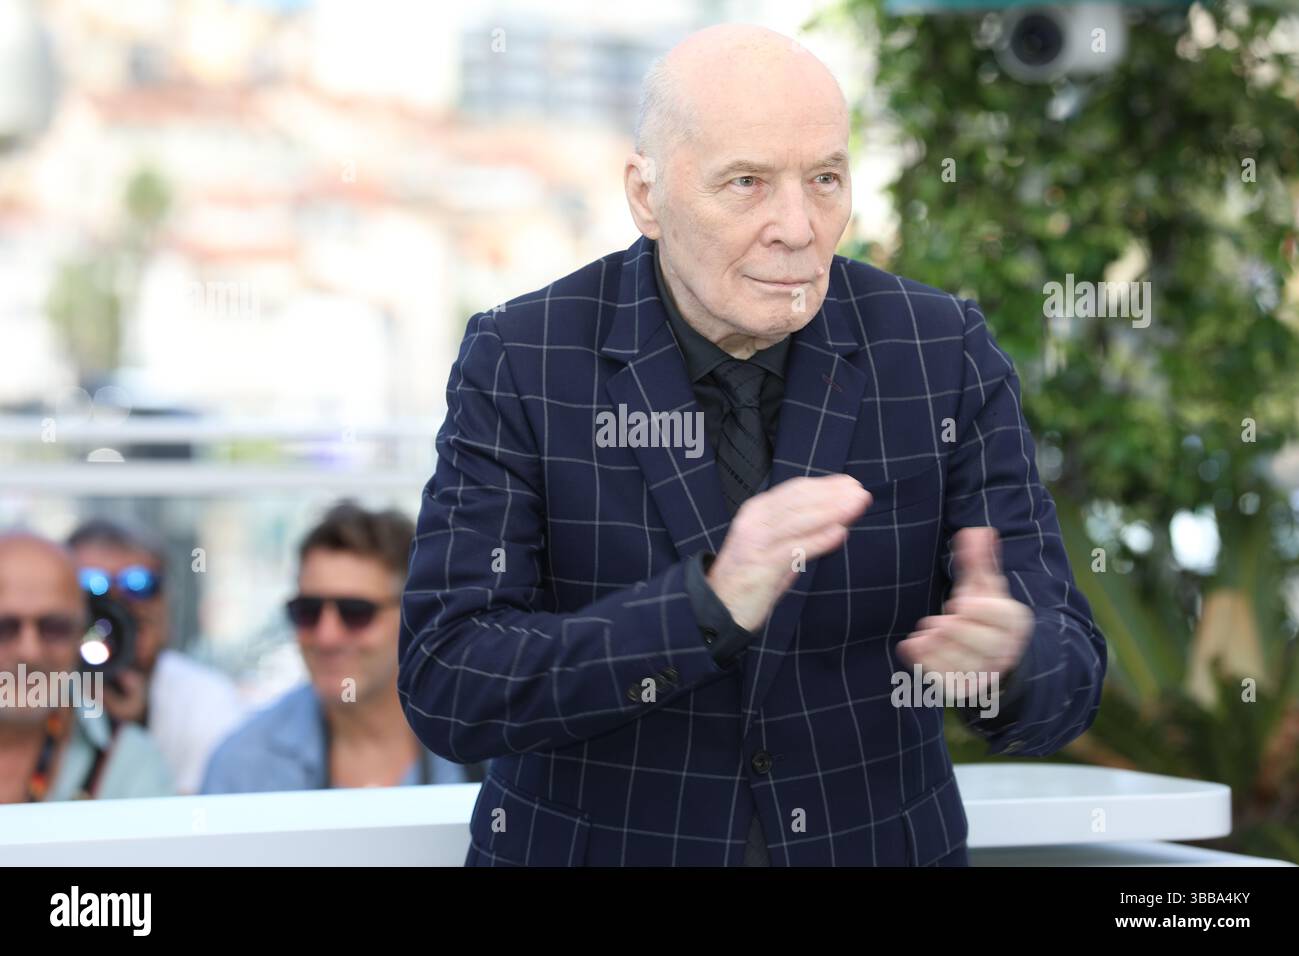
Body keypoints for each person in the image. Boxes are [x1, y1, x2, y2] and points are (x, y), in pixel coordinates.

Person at [400, 23, 1106, 866]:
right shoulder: (525, 356)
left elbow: (1071, 668)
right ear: (645, 194)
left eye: (825, 180)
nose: (798, 227)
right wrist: (703, 611)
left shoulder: (938, 350)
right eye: (746, 182)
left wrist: (1012, 661)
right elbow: (452, 679)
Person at [202, 501, 477, 793]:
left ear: (415, 618)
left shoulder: (485, 748)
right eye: (308, 611)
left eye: (355, 612)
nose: (327, 637)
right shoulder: (242, 767)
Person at [67, 518, 245, 794]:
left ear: (166, 603)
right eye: (92, 586)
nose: (117, 603)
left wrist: (135, 727)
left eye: (139, 584)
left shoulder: (206, 699)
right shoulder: (39, 693)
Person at [0, 532, 173, 803]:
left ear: (82, 631)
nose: (29, 652)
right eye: (4, 628)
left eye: (54, 628)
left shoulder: (130, 762)